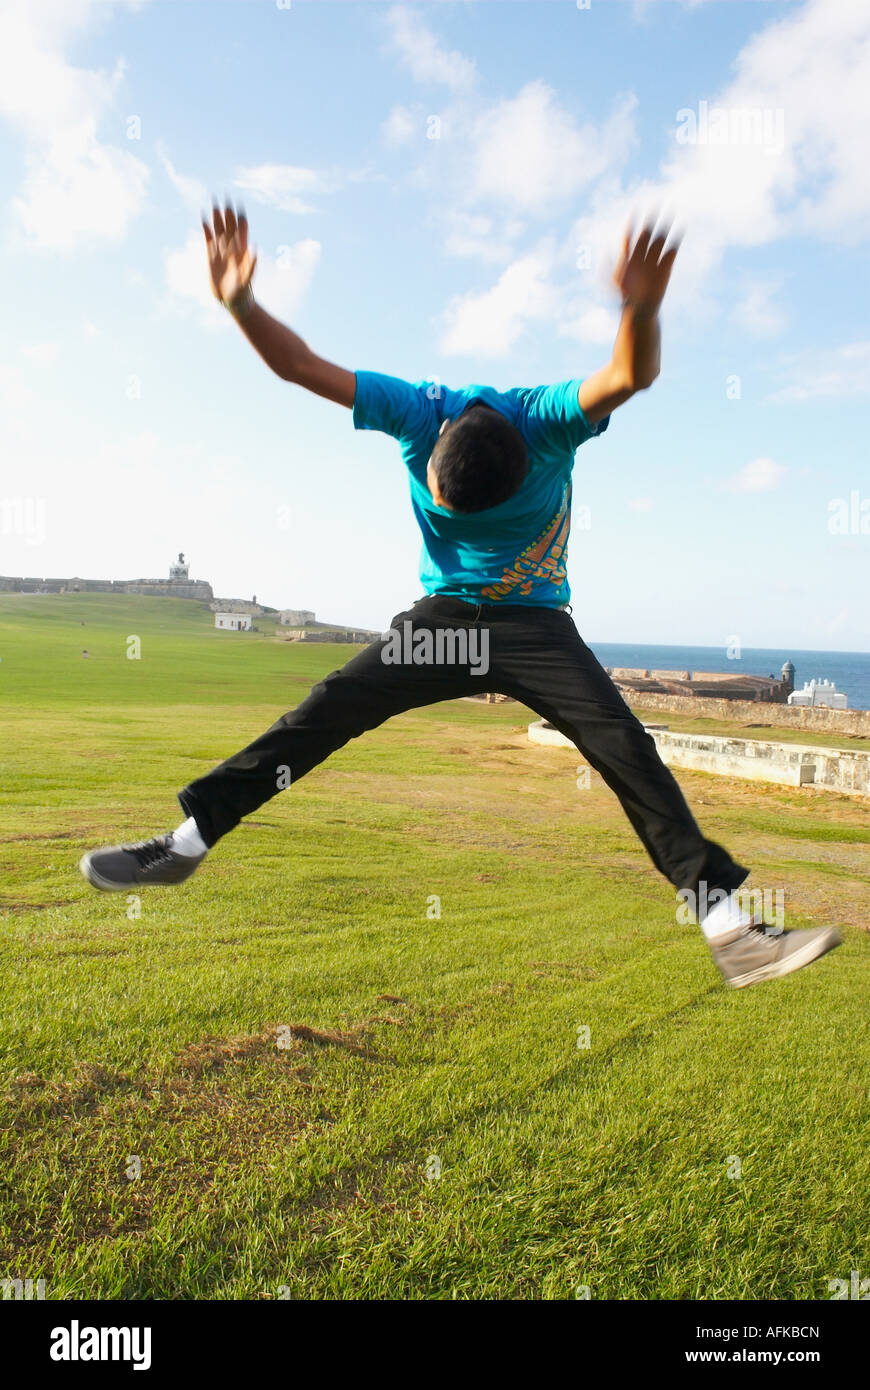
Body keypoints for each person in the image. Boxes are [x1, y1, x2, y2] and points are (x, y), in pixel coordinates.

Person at [80, 203, 841, 990]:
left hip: (535, 626)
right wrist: (242, 304)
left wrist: (640, 311)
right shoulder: (417, 410)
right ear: (431, 457)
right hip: (442, 622)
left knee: (627, 751)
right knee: (321, 715)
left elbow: (631, 375)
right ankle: (183, 845)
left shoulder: (549, 422)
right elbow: (300, 366)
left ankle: (730, 933)